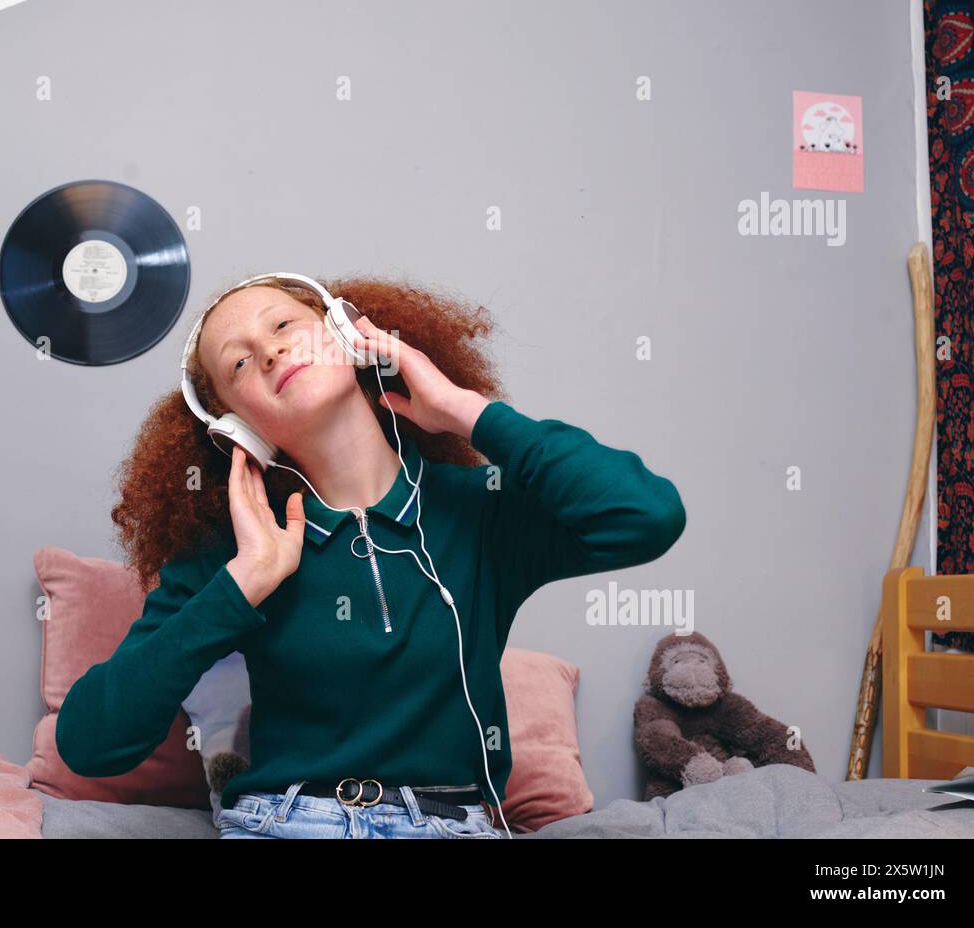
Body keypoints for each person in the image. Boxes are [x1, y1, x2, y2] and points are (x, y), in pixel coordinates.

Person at [55, 273, 686, 838]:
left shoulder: (480, 511)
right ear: (236, 428)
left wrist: (464, 412)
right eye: (239, 364)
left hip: (452, 825)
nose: (270, 351)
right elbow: (90, 742)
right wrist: (241, 584)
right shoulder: (236, 552)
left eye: (283, 327)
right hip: (281, 823)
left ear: (347, 334)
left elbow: (647, 516)